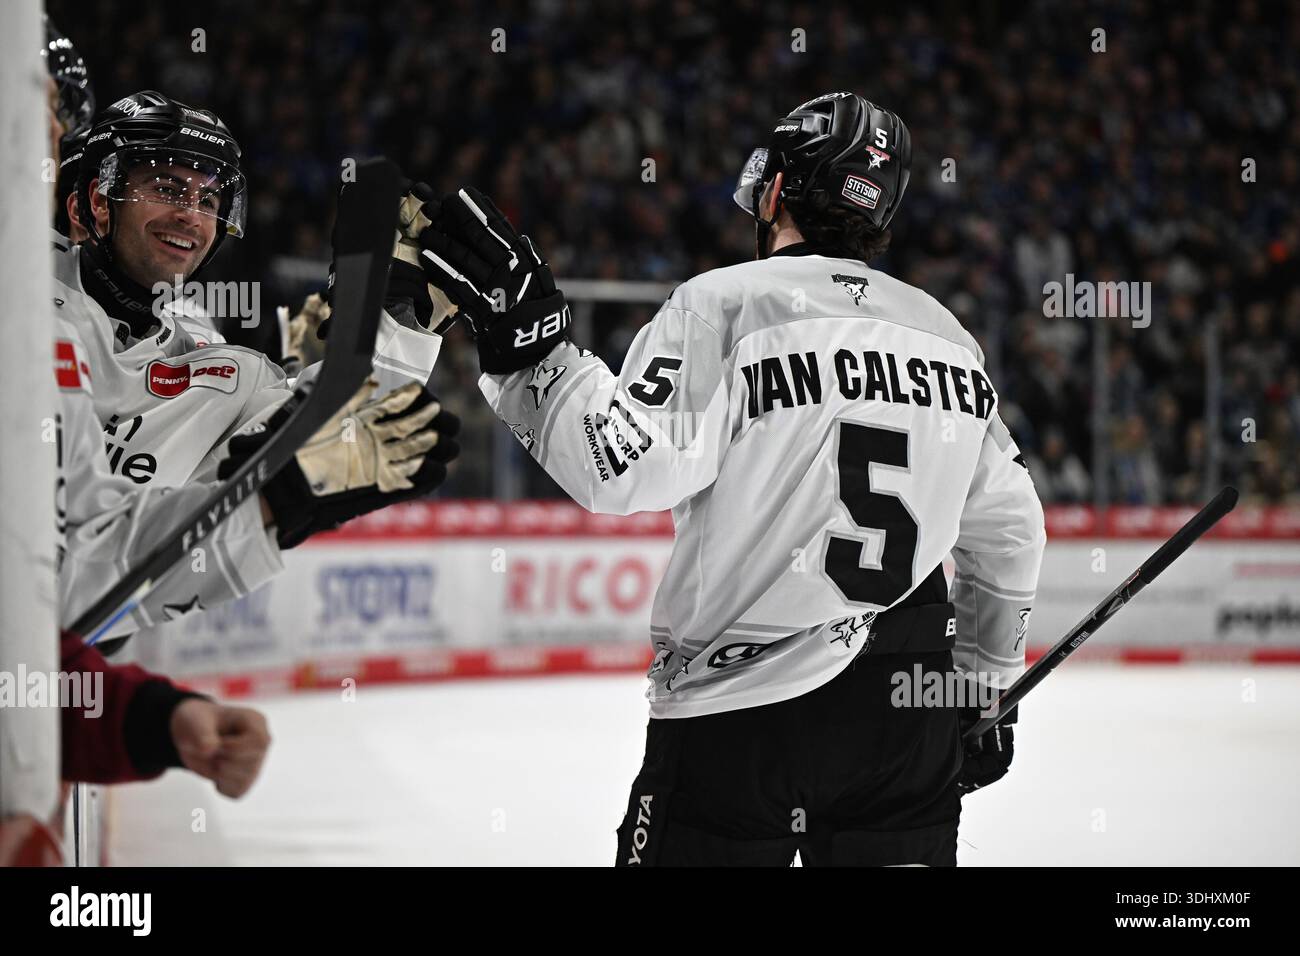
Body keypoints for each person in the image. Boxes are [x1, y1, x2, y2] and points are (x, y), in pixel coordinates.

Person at [418, 91, 1045, 866]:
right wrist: (984, 688)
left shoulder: (724, 305)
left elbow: (623, 470)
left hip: (740, 714)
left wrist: (530, 352)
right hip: (902, 716)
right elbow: (1012, 529)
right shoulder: (946, 335)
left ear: (776, 189)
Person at [55, 90, 460, 646]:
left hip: (68, 655)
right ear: (95, 205)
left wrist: (397, 321)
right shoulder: (26, 301)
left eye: (209, 198)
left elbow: (346, 425)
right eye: (168, 188)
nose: (191, 216)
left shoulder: (213, 364)